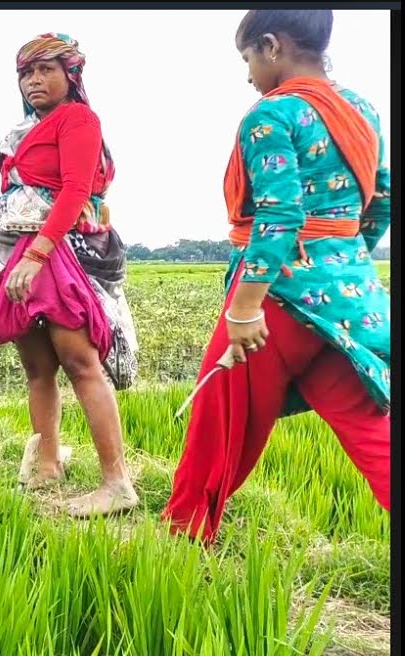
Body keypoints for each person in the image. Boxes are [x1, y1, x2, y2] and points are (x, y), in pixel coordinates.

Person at [162, 9, 391, 544]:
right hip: (347, 304)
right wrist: (338, 259)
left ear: (271, 45)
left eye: (247, 59)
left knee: (216, 430)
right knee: (376, 438)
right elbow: (380, 200)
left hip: (277, 305)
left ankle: (179, 544)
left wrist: (243, 310)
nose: (248, 74)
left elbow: (280, 216)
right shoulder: (361, 111)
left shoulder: (271, 115)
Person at [0, 33, 139, 518]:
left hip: (62, 256)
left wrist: (37, 255)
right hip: (18, 259)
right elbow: (9, 210)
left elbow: (76, 190)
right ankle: (47, 464)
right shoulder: (23, 131)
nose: (34, 80)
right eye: (26, 73)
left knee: (81, 363)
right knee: (37, 370)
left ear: (71, 75)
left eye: (46, 70)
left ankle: (115, 481)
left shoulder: (78, 119)